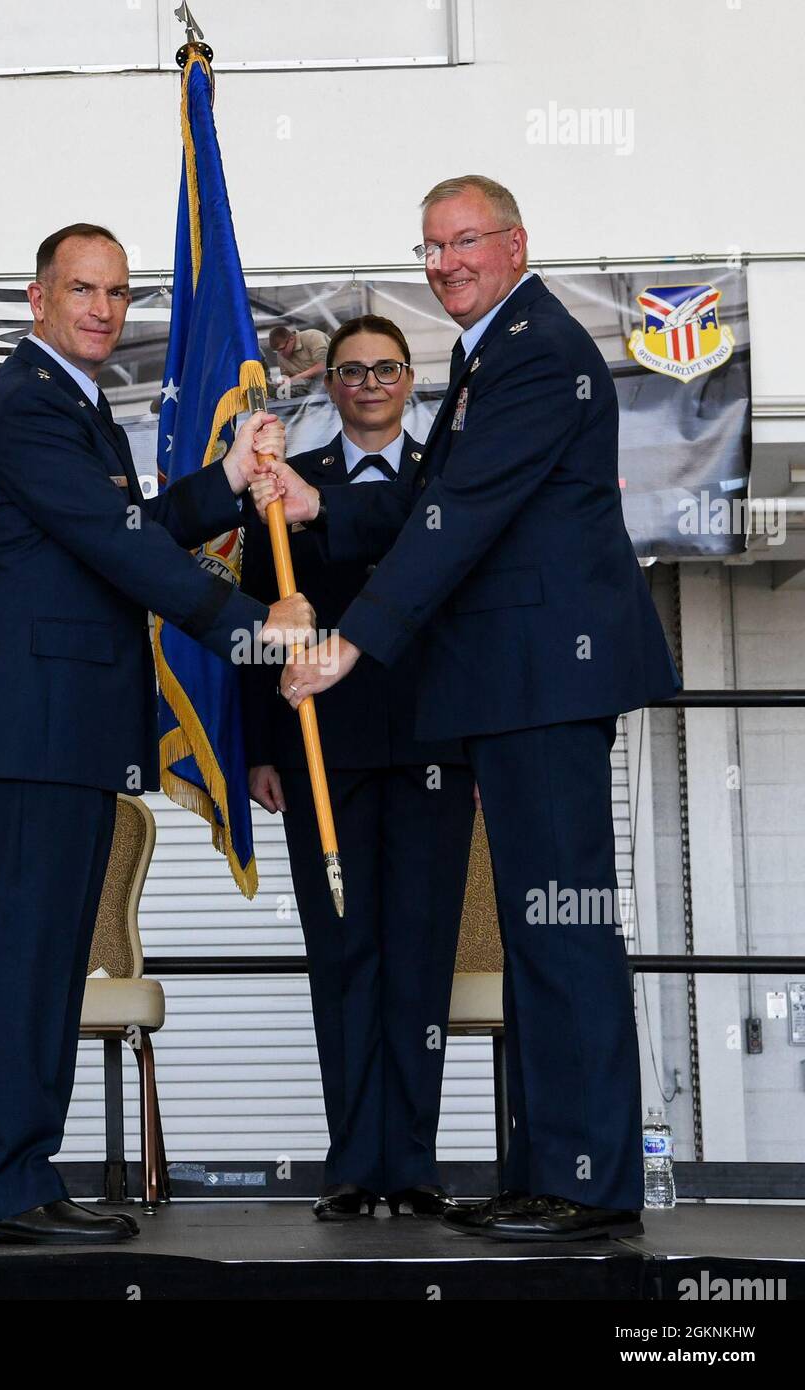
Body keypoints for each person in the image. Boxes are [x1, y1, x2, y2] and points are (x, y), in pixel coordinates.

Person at [251, 176, 682, 1242]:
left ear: (514, 242)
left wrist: (350, 642)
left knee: (561, 929)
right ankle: (552, 1170)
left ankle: (585, 1182)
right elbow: (429, 497)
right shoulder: (489, 354)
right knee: (542, 931)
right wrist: (322, 502)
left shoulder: (532, 348)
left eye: (464, 242)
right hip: (516, 686)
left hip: (544, 679)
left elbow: (458, 517)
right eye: (431, 247)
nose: (444, 262)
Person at [0, 223, 313, 1246]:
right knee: (20, 964)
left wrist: (227, 479)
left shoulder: (75, 404)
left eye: (116, 292)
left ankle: (19, 1177)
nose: (102, 308)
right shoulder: (25, 408)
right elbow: (121, 550)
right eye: (82, 289)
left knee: (48, 964)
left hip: (63, 734)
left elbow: (130, 524)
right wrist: (254, 633)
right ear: (38, 297)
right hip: (26, 733)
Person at [241, 315, 473, 1221]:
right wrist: (261, 745)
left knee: (419, 960)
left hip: (432, 747)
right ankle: (351, 1161)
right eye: (351, 370)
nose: (370, 382)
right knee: (343, 957)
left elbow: (466, 618)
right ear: (329, 385)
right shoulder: (288, 488)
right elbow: (270, 615)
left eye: (386, 368)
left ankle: (411, 1162)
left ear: (410, 380)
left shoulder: (447, 478)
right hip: (319, 750)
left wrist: (479, 740)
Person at [267, 323, 329, 394]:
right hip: (310, 388)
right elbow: (287, 377)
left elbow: (323, 366)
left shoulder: (312, 336)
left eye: (282, 349)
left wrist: (294, 379)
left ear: (291, 339)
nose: (280, 353)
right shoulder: (280, 354)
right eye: (277, 351)